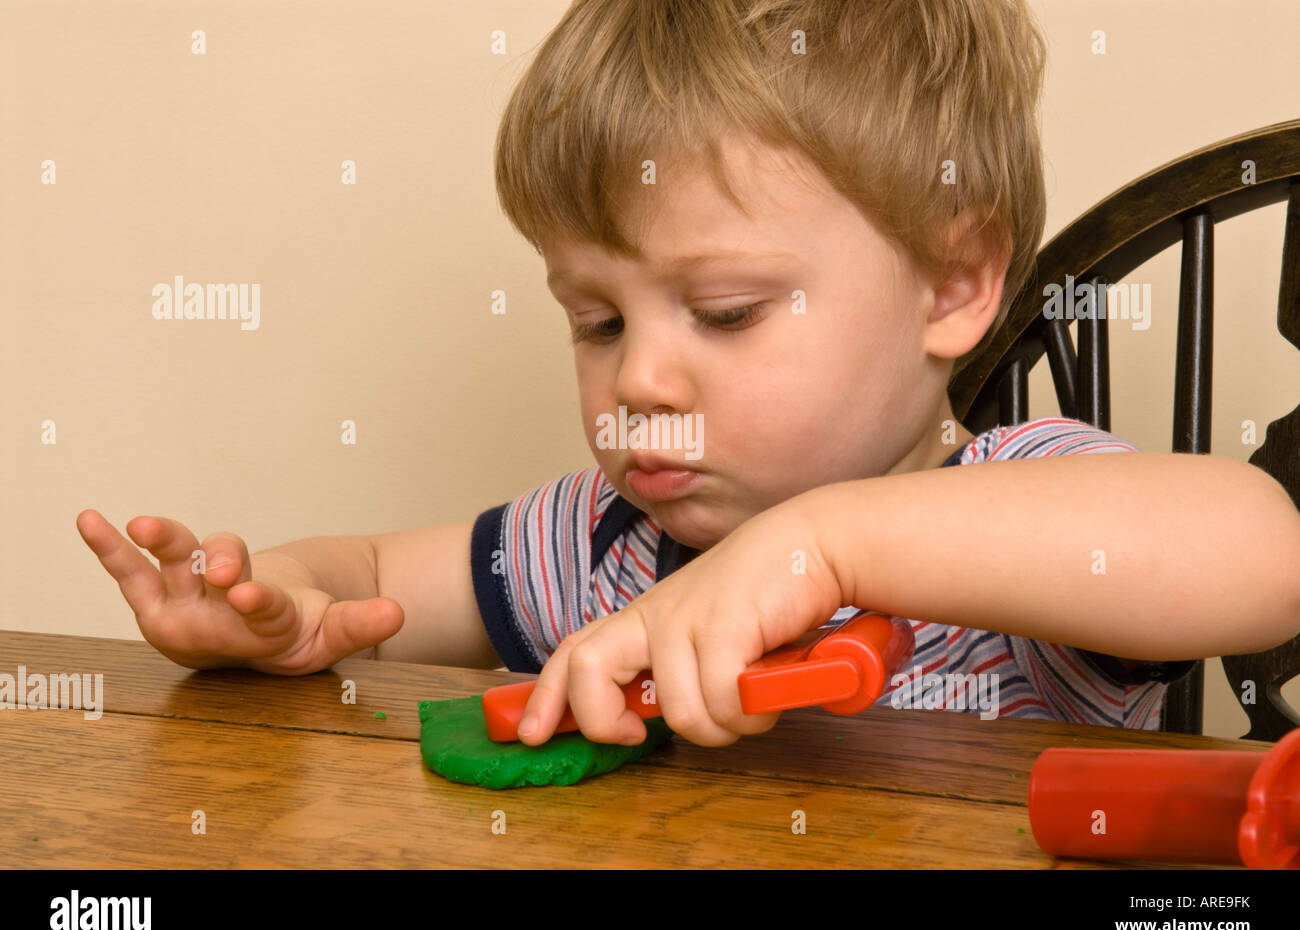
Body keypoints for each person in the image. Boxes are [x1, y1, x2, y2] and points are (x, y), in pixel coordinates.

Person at [77, 0, 1300, 748]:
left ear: (950, 284)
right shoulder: (606, 542)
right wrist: (286, 605)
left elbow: (1262, 551)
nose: (641, 378)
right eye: (597, 321)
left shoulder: (1025, 498)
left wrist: (822, 547)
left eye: (724, 311)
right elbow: (383, 580)